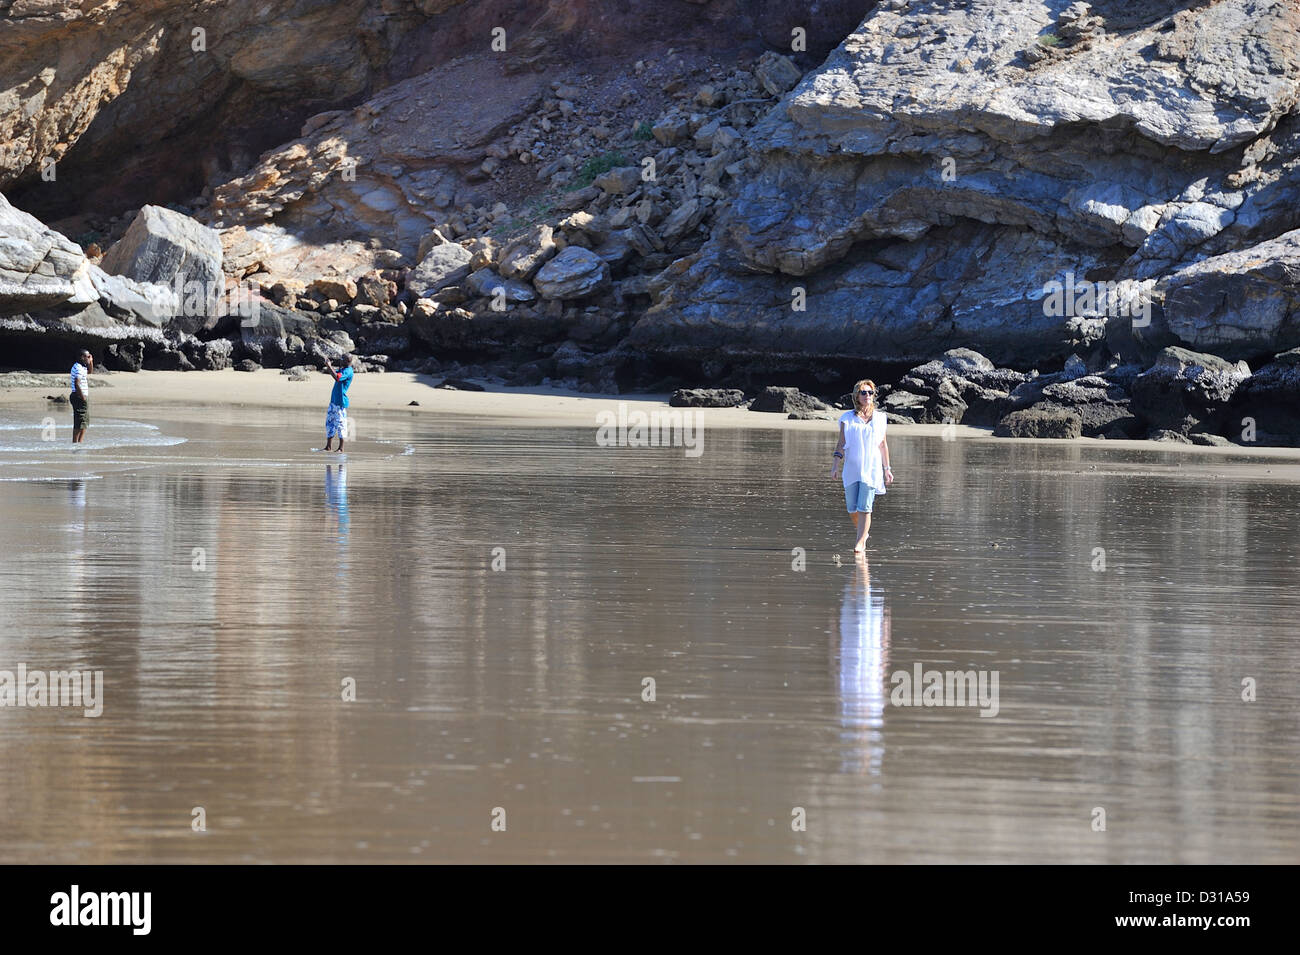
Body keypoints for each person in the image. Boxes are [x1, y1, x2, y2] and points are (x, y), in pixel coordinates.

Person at [831, 378, 894, 553]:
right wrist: (835, 464)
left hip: (872, 469)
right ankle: (864, 533)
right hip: (852, 469)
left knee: (865, 507)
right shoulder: (847, 418)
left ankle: (860, 542)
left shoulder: (880, 418)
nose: (867, 395)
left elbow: (883, 445)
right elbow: (841, 443)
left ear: (874, 395)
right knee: (852, 508)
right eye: (863, 392)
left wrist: (887, 469)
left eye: (870, 392)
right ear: (856, 395)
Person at [322, 354, 354, 452]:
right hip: (334, 401)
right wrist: (330, 366)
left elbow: (337, 377)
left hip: (340, 402)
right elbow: (335, 373)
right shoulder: (343, 369)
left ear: (347, 361)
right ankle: (328, 446)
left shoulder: (348, 371)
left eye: (342, 359)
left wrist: (328, 366)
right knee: (330, 423)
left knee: (341, 424)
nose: (340, 361)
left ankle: (341, 448)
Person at [70, 349, 92, 443]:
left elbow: (90, 372)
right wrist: (82, 397)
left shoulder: (82, 367)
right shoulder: (78, 367)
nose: (89, 357)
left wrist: (91, 361)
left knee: (84, 421)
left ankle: (80, 442)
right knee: (79, 422)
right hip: (78, 396)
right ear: (82, 357)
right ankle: (75, 443)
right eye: (87, 356)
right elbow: (77, 383)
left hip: (82, 396)